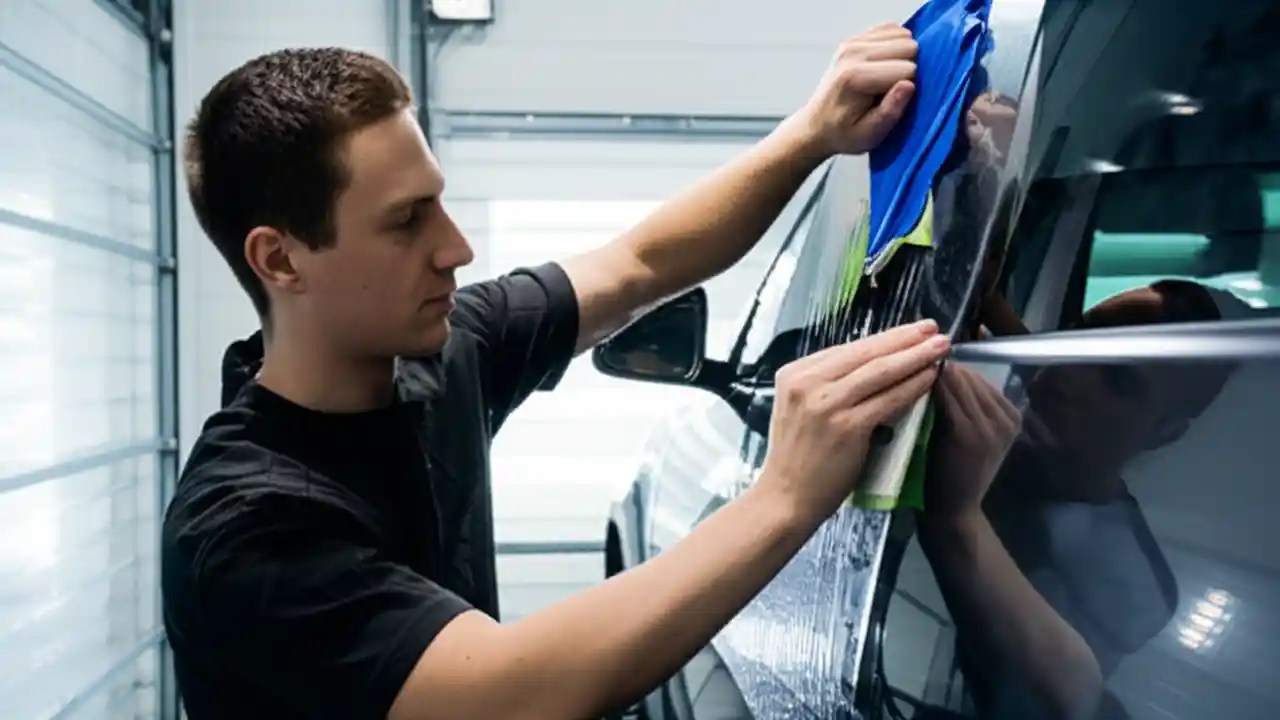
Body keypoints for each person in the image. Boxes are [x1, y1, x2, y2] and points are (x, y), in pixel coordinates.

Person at [161, 24, 951, 720]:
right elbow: (511, 697)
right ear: (281, 259)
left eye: (437, 201)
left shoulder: (438, 352)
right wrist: (784, 495)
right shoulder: (246, 530)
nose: (456, 248)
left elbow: (640, 263)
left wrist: (810, 134)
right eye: (406, 221)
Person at [917, 279, 1241, 719]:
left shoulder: (1135, 584)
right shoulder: (1023, 414)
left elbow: (1062, 695)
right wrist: (988, 296)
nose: (1067, 371)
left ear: (1164, 433)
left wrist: (955, 519)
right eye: (1082, 334)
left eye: (1118, 381)